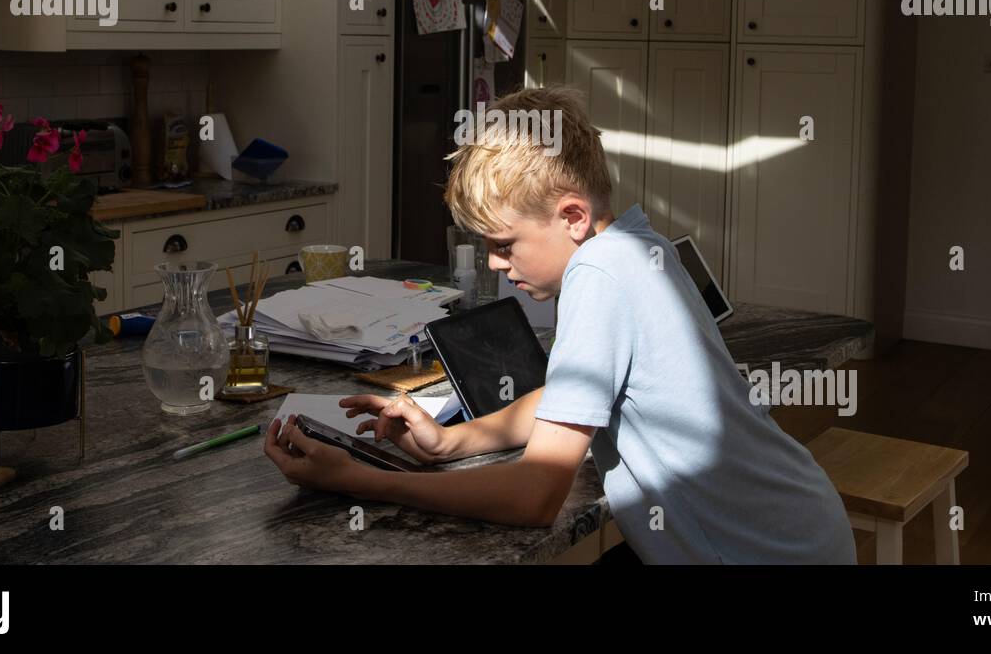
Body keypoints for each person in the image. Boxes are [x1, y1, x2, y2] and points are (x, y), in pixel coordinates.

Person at [264, 85, 856, 563]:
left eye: (503, 243)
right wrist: (452, 441)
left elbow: (534, 496)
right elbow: (574, 393)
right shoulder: (637, 245)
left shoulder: (600, 277)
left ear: (572, 215)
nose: (495, 262)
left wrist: (363, 481)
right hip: (796, 534)